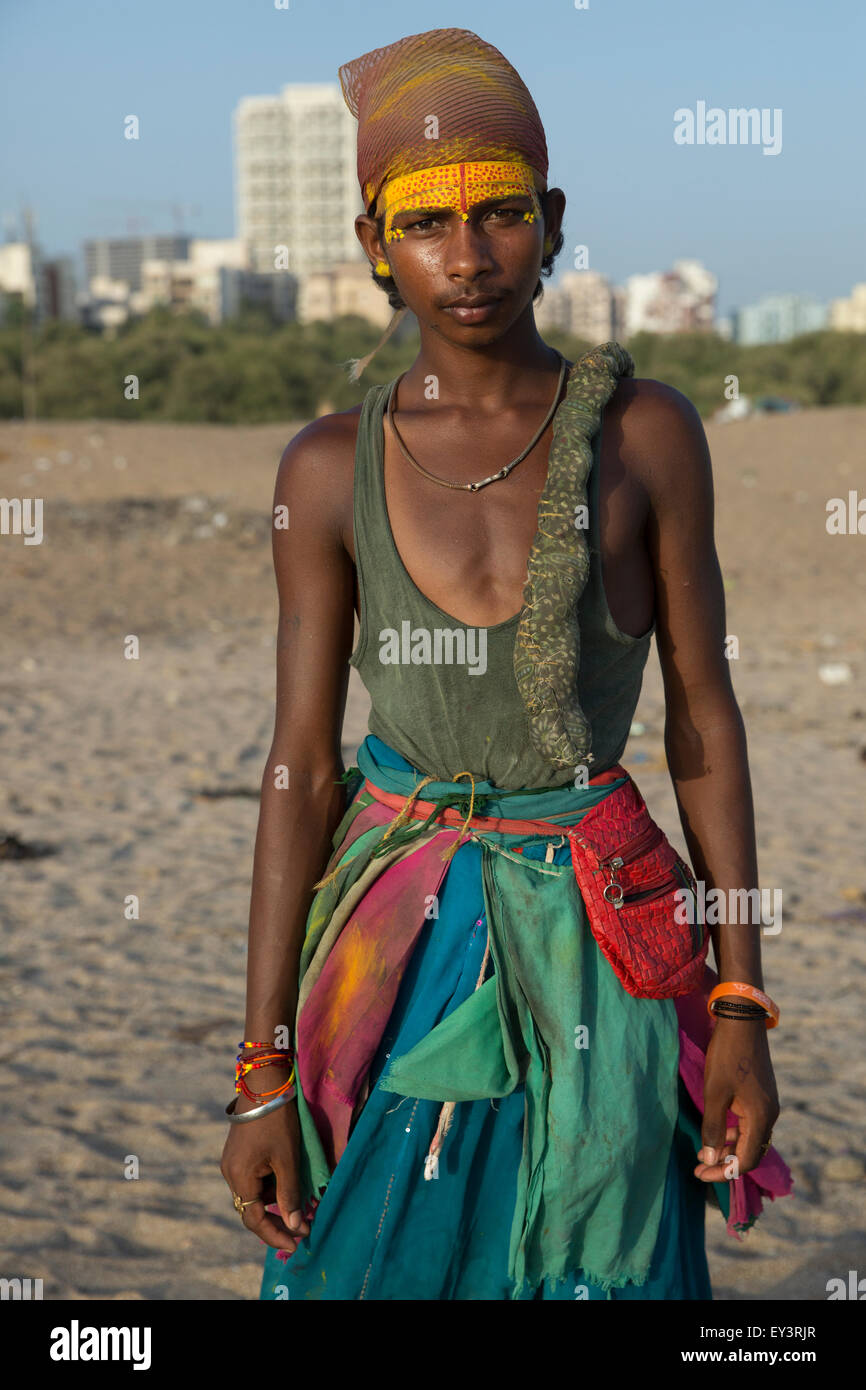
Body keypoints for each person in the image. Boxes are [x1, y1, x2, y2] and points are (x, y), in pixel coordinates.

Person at [220, 27, 791, 1301]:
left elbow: (704, 721)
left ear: (554, 222)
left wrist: (742, 998)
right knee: (360, 1256)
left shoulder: (646, 435)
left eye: (503, 215)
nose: (467, 258)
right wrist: (259, 1069)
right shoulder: (326, 468)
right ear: (374, 245)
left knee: (599, 1253)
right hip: (388, 941)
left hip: (599, 932)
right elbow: (301, 768)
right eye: (426, 224)